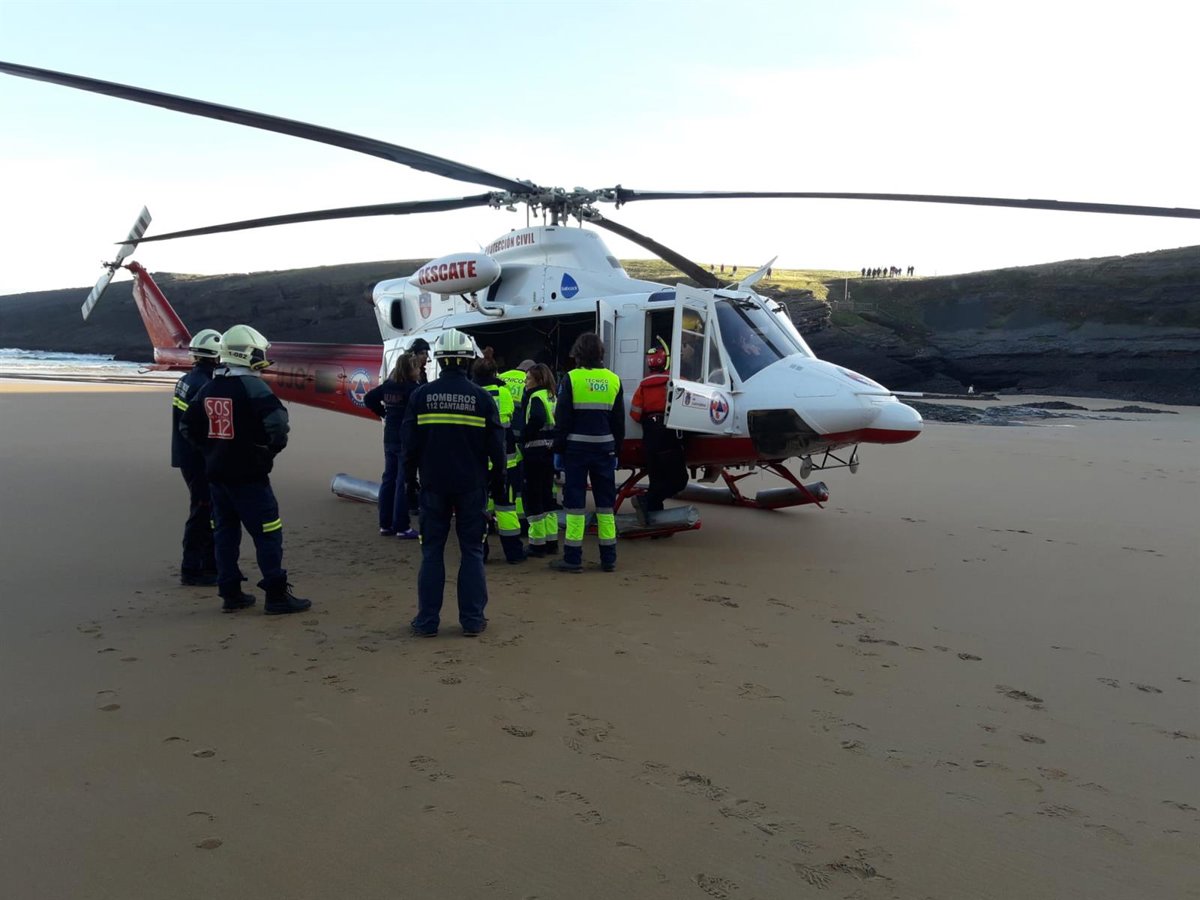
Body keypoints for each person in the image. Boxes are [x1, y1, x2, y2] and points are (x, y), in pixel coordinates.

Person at [179, 324, 311, 615]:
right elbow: (278, 425)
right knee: (268, 534)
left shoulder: (209, 387)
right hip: (249, 478)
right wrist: (266, 452)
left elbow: (188, 426)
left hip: (217, 478)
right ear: (248, 353)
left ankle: (230, 593)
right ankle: (276, 595)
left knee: (225, 534)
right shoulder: (254, 387)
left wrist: (210, 451)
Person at [402, 328, 505, 636]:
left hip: (433, 486)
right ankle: (472, 620)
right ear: (467, 360)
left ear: (439, 360)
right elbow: (497, 451)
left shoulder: (421, 396)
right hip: (472, 486)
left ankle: (427, 621)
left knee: (432, 552)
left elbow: (408, 448)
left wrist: (409, 485)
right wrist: (497, 487)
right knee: (472, 551)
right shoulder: (482, 398)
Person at [550, 332, 625, 573]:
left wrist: (558, 450)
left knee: (575, 504)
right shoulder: (614, 380)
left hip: (576, 450)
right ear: (601, 353)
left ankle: (573, 558)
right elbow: (619, 423)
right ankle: (609, 558)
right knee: (605, 505)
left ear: (578, 354)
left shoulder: (571, 379)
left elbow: (562, 419)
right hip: (605, 449)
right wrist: (616, 451)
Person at [171, 328, 222, 586]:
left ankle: (211, 566)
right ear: (216, 357)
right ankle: (192, 569)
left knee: (206, 511)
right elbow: (203, 428)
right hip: (200, 460)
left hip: (188, 457)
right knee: (203, 512)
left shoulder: (186, 380)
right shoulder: (206, 385)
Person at [629, 341, 688, 525]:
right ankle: (647, 500)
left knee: (656, 479)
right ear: (665, 362)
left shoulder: (642, 387)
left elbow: (635, 414)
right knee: (679, 480)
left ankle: (653, 521)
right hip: (668, 436)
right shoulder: (677, 381)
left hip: (650, 437)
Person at [363, 352, 420, 539]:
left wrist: (383, 413)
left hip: (389, 437)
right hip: (406, 438)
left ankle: (385, 524)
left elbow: (368, 398)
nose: (419, 370)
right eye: (417, 367)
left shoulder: (388, 386)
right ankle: (402, 526)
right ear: (411, 369)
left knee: (389, 479)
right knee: (402, 482)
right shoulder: (412, 390)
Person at [474, 355, 525, 563]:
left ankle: (481, 552)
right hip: (505, 461)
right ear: (495, 373)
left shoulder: (473, 394)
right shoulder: (503, 393)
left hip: (477, 461)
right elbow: (507, 421)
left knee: (479, 508)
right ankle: (513, 553)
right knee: (507, 508)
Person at [520, 363, 559, 557]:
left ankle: (537, 544)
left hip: (534, 452)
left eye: (528, 379)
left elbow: (535, 418)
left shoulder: (535, 397)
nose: (525, 383)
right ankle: (551, 541)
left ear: (537, 380)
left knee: (533, 498)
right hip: (549, 451)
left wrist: (524, 436)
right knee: (547, 498)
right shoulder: (551, 396)